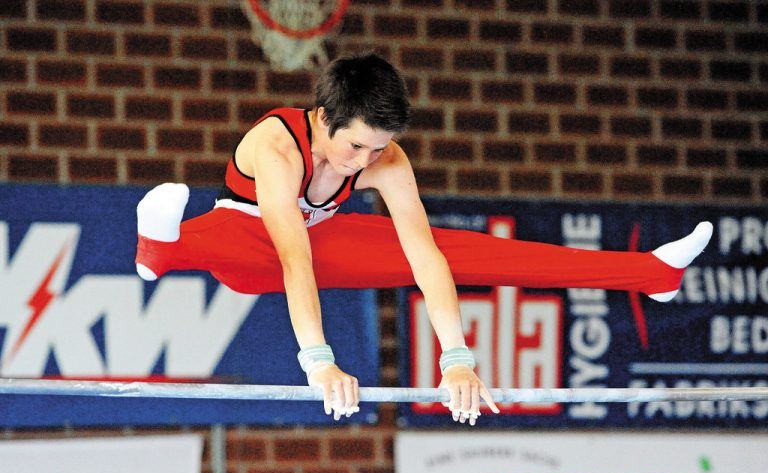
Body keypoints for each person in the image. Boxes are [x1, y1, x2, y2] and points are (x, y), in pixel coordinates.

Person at [135, 53, 713, 426]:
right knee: (227, 240)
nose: (367, 161)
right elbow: (292, 259)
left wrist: (456, 360)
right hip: (255, 239)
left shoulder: (386, 159)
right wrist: (319, 362)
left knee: (461, 248)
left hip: (324, 237)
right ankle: (160, 249)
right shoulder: (279, 146)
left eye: (379, 148)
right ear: (321, 117)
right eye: (356, 147)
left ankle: (653, 275)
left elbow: (425, 256)